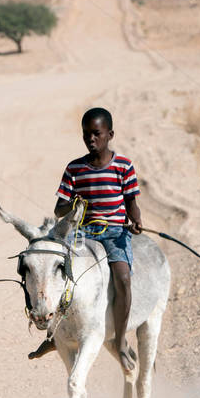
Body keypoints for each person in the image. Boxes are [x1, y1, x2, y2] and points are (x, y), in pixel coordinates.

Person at [29, 106, 143, 368]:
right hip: (81, 232)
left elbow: (131, 201)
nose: (91, 139)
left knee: (123, 278)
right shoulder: (75, 169)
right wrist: (75, 205)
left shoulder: (124, 167)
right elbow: (59, 209)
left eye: (96, 134)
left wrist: (136, 220)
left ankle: (121, 341)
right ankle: (54, 333)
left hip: (114, 231)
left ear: (109, 134)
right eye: (86, 134)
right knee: (60, 272)